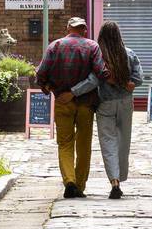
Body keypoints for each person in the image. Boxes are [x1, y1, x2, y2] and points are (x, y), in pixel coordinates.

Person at [66, 20, 143, 200]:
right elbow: (138, 78)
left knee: (108, 143)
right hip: (125, 102)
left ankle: (114, 181)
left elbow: (92, 81)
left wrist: (72, 92)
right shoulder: (129, 53)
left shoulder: (99, 56)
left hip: (105, 104)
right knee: (124, 141)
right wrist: (127, 83)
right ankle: (120, 179)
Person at [35, 17, 108, 199]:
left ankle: (69, 181)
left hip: (62, 102)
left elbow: (41, 73)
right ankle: (80, 186)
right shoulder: (92, 47)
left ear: (68, 28)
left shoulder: (55, 46)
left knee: (65, 144)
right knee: (84, 146)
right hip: (86, 104)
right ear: (84, 29)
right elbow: (101, 73)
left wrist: (49, 87)